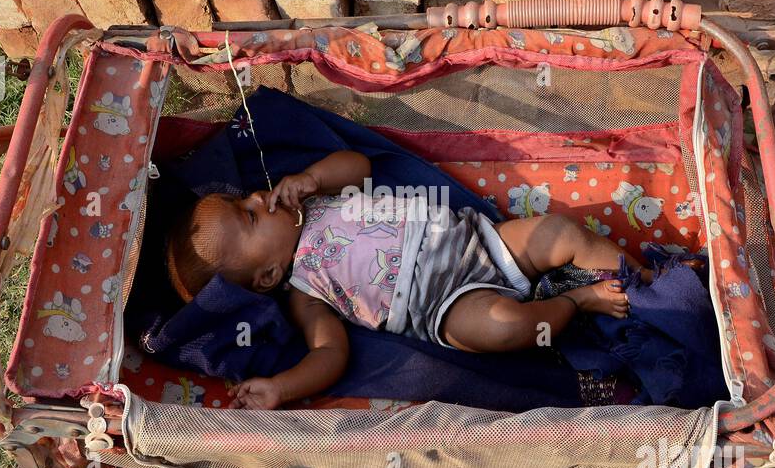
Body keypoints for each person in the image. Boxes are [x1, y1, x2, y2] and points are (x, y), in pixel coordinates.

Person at [168, 150, 644, 409]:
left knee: (558, 231)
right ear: (269, 273)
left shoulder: (313, 198)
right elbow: (329, 356)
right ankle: (577, 302)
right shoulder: (305, 291)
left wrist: (312, 175)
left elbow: (362, 166)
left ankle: (645, 282)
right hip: (448, 304)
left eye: (244, 200)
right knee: (503, 326)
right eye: (250, 216)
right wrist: (280, 388)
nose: (257, 196)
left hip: (479, 241)